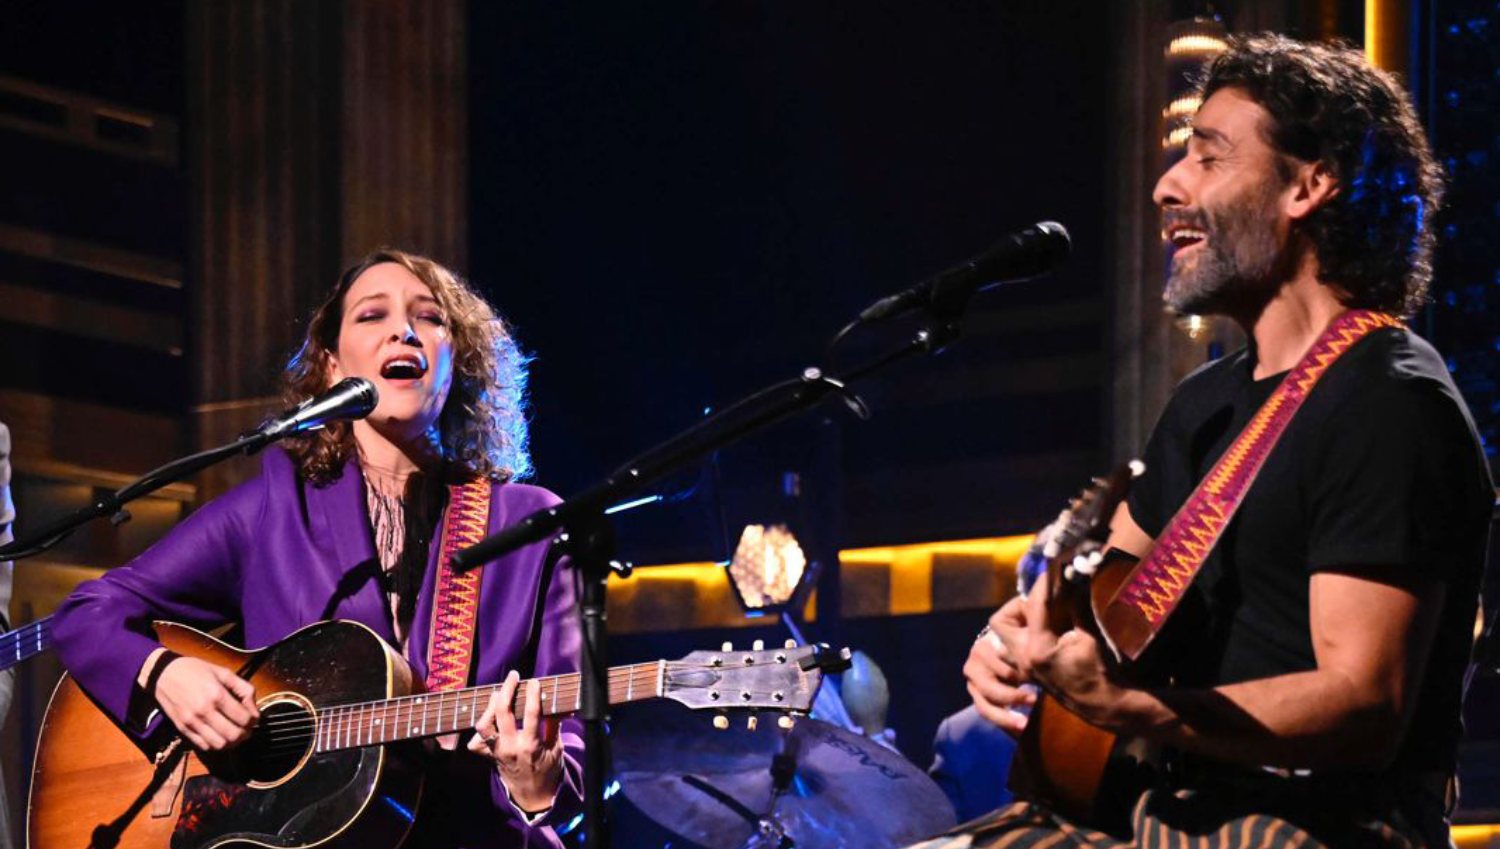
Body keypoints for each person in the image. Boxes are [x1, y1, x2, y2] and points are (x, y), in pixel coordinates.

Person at [943, 34, 1493, 849]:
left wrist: (1133, 710)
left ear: (1310, 184)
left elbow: (1362, 702)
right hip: (1158, 805)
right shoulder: (1205, 405)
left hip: (1313, 825)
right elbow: (1104, 602)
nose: (1168, 185)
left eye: (1208, 157)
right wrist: (1014, 638)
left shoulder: (1390, 396)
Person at [51, 250, 583, 849]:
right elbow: (87, 611)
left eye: (430, 317)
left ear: (456, 361)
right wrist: (163, 674)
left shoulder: (533, 525)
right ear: (332, 368)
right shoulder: (272, 510)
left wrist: (534, 782)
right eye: (371, 315)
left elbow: (569, 745)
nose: (402, 330)